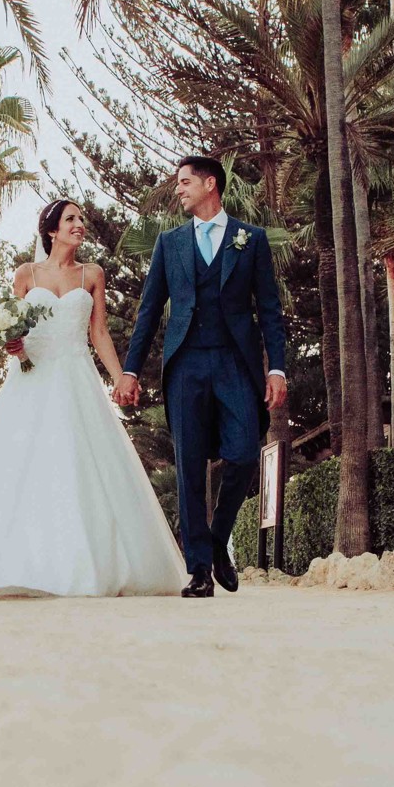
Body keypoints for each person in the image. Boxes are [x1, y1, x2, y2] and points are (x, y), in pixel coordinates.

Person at [0, 200, 188, 598]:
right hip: (31, 377)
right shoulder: (25, 274)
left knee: (77, 464)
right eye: (71, 219)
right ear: (51, 230)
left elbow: (99, 333)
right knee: (18, 466)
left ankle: (82, 566)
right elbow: (10, 327)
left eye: (81, 219)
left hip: (76, 376)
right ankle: (13, 564)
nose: (79, 225)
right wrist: (11, 345)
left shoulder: (93, 274)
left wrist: (121, 379)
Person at [116, 156, 287, 598]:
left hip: (235, 362)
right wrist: (131, 368)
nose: (179, 190)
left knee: (245, 453)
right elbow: (150, 309)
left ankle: (215, 540)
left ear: (211, 184)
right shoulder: (169, 243)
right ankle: (198, 571)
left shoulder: (251, 239)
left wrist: (276, 367)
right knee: (190, 464)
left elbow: (269, 308)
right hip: (186, 363)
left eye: (185, 182)